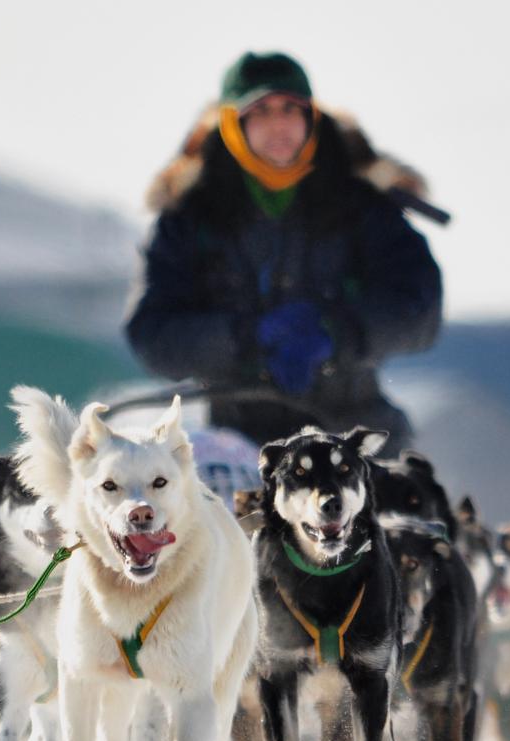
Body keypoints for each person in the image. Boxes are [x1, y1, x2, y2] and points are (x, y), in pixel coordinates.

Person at [125, 51, 442, 452]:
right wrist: (245, 339)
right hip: (235, 449)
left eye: (291, 109)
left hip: (357, 439)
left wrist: (334, 335)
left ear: (312, 117)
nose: (278, 124)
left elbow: (421, 309)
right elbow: (151, 334)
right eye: (259, 112)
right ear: (231, 123)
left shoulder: (362, 205)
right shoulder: (189, 218)